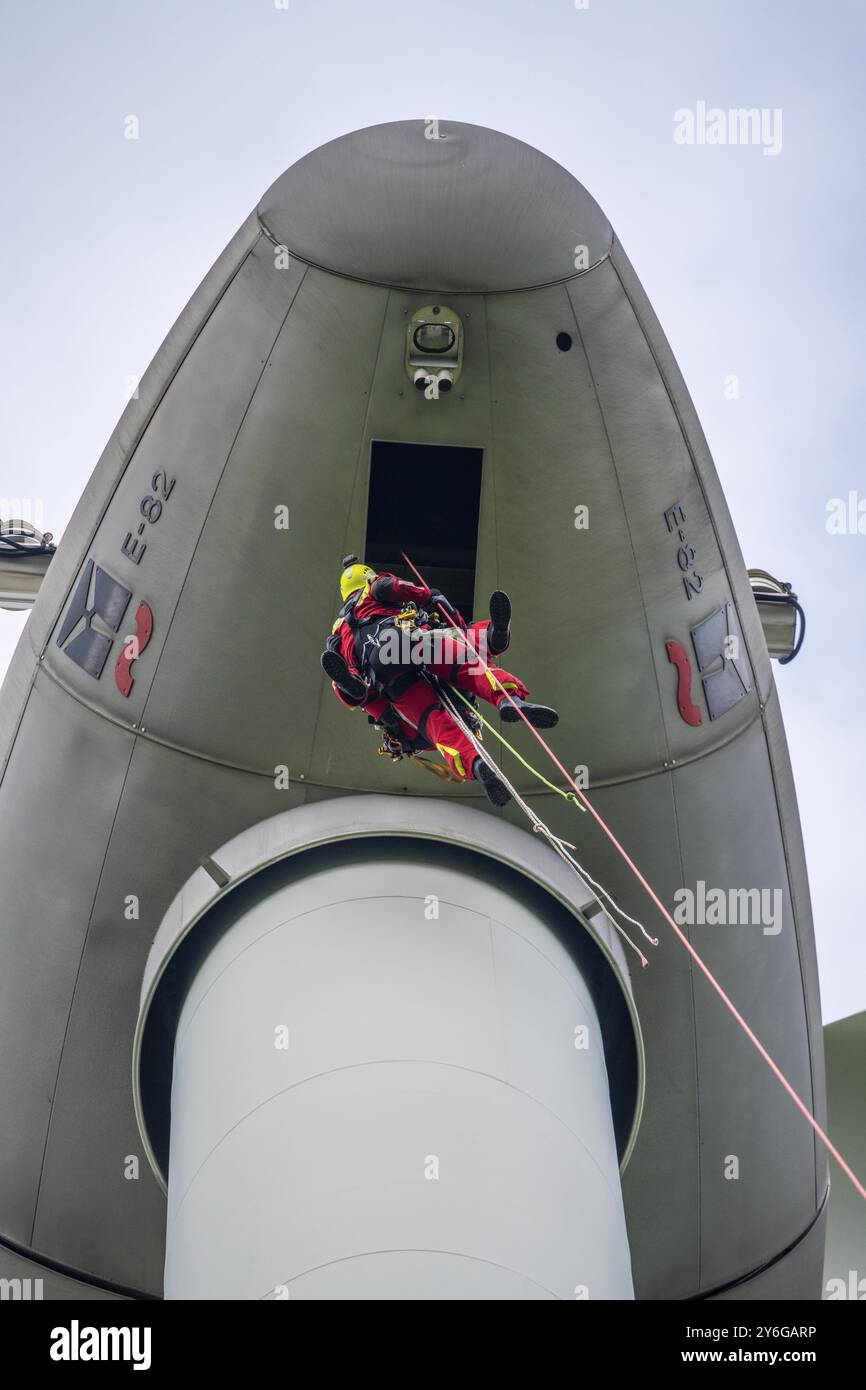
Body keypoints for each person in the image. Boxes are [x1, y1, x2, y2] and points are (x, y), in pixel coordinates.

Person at [321, 555, 559, 805]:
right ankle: (508, 695)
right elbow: (395, 588)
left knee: (437, 726)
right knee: (469, 664)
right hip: (402, 641)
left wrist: (358, 691)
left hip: (383, 677)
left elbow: (357, 699)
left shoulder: (338, 633)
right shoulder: (373, 587)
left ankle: (476, 764)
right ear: (367, 576)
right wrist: (429, 596)